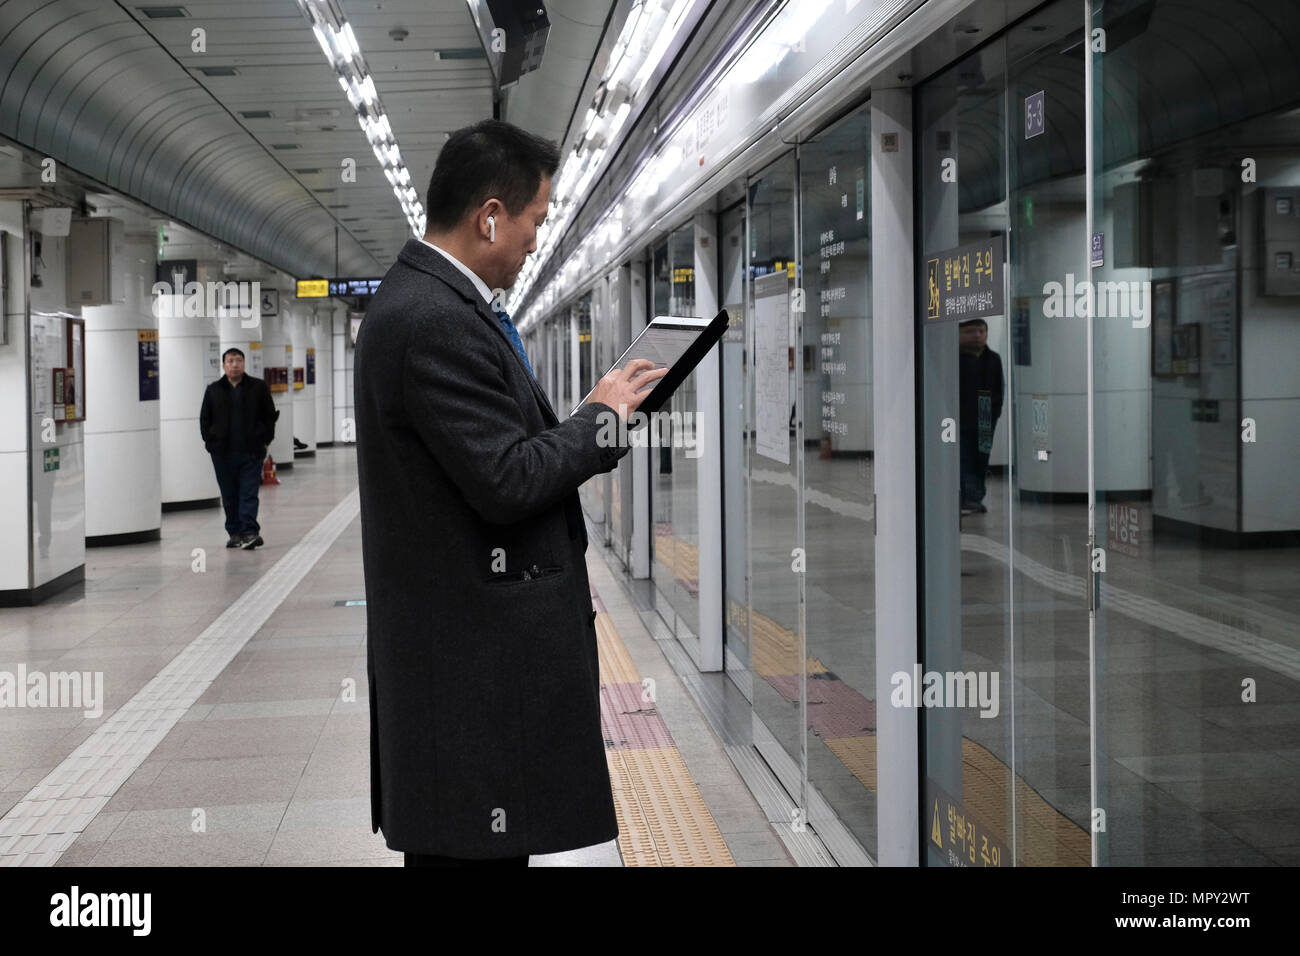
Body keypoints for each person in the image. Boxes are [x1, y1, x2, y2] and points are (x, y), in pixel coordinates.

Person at [353, 119, 667, 867]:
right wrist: (597, 423)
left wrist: (595, 416)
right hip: (471, 674)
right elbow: (508, 479)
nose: (534, 240)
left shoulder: (432, 305)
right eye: (535, 220)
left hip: (460, 662)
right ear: (489, 214)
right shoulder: (434, 321)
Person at [199, 348, 278, 549]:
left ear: (244, 363)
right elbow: (204, 420)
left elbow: (270, 416)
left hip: (251, 451)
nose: (235, 364)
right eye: (231, 361)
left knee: (249, 492)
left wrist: (265, 440)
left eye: (239, 360)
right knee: (229, 494)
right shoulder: (213, 390)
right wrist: (210, 444)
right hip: (222, 454)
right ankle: (234, 532)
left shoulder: (258, 388)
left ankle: (250, 531)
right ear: (224, 365)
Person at [959, 318, 1004, 515]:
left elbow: (999, 389)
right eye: (970, 331)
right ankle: (964, 497)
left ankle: (975, 497)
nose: (977, 335)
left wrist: (994, 412)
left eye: (981, 331)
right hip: (961, 417)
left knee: (981, 459)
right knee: (963, 458)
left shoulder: (993, 359)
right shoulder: (953, 358)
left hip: (986, 418)